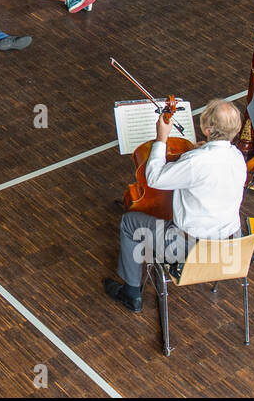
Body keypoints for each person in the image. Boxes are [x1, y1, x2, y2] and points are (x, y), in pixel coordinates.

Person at [102, 100, 246, 313]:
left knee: (130, 222)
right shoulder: (237, 158)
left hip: (190, 251)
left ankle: (131, 293)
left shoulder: (196, 161)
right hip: (229, 250)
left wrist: (161, 138)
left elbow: (154, 178)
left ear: (206, 129)